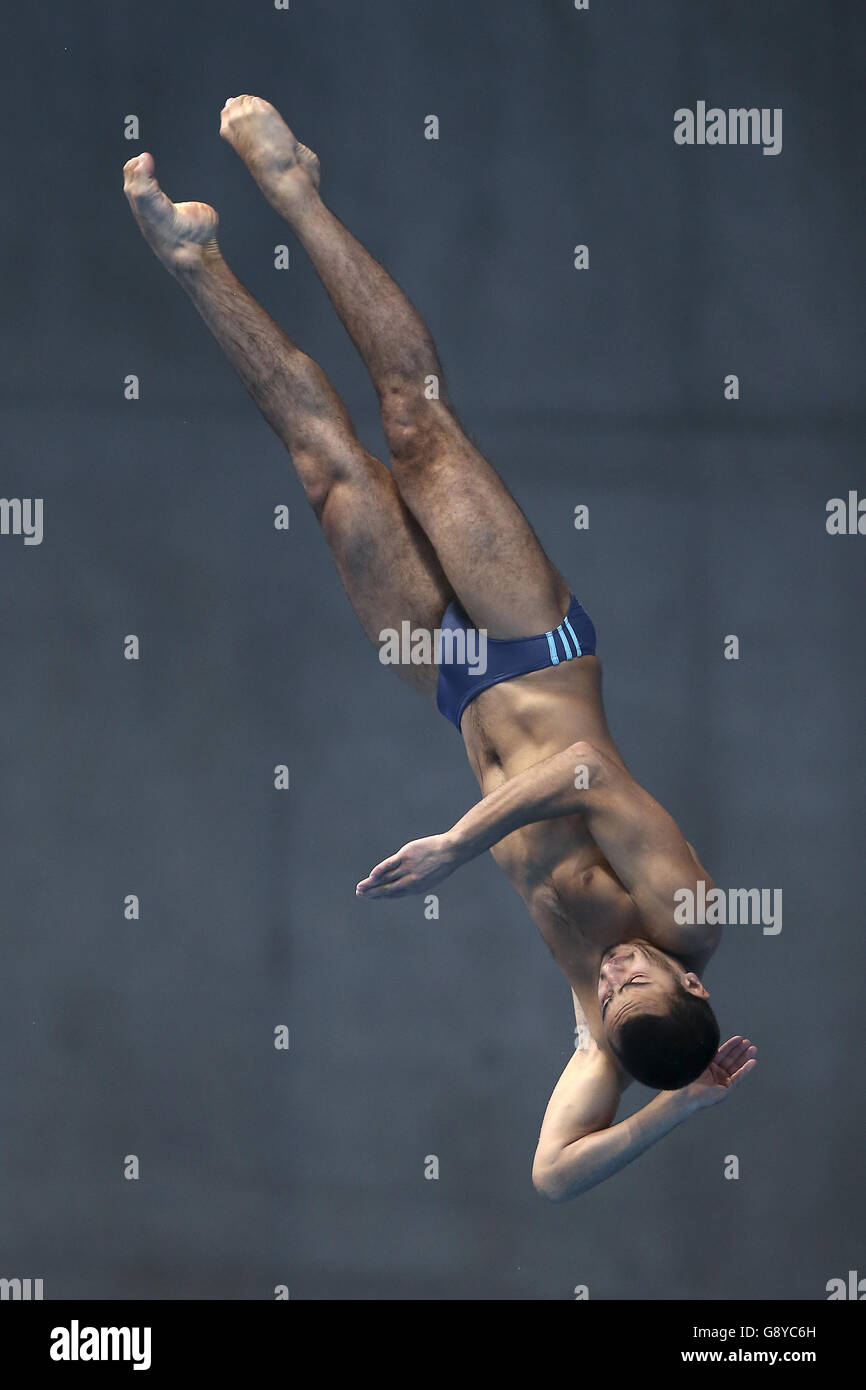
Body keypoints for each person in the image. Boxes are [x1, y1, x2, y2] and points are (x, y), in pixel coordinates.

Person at [123, 95, 756, 1202]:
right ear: (690, 990)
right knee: (415, 428)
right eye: (632, 976)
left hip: (452, 688)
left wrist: (680, 1105)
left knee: (328, 471)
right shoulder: (689, 919)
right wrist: (459, 846)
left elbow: (552, 1176)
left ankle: (193, 258)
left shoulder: (615, 1037)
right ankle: (295, 191)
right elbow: (583, 772)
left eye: (607, 994)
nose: (610, 971)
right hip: (537, 651)